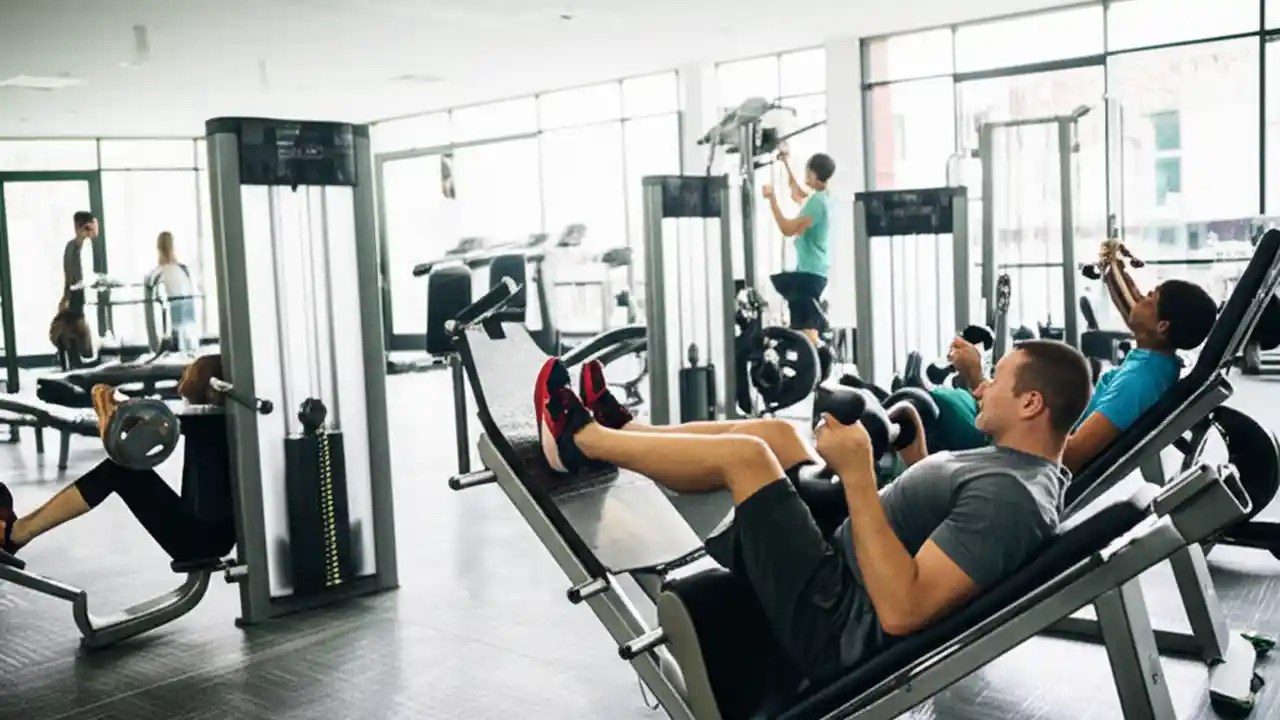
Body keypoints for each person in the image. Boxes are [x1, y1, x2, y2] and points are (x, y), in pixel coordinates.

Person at [537, 344, 1088, 681]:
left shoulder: (1012, 498)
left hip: (834, 621)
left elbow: (900, 609)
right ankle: (628, 433)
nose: (983, 385)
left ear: (1030, 405)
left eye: (998, 379)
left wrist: (858, 474)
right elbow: (939, 531)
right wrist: (915, 457)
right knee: (777, 433)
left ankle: (581, 441)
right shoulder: (1015, 468)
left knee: (747, 458)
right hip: (844, 566)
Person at [923, 266, 1218, 472]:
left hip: (1019, 458)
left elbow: (1071, 455)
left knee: (929, 405)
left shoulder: (1140, 381)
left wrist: (979, 379)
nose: (1138, 299)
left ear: (1162, 326)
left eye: (1148, 299)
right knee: (928, 404)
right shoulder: (1154, 363)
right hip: (1028, 436)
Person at [1, 355, 234, 563]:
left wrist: (116, 408)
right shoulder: (214, 421)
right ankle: (19, 532)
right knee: (122, 469)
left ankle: (19, 533)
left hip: (201, 541)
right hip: (204, 533)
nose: (181, 383)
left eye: (188, 375)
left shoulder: (209, 422)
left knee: (117, 471)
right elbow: (146, 433)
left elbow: (149, 429)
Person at [763, 150, 836, 347]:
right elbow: (797, 193)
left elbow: (787, 229)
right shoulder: (823, 197)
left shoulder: (817, 203)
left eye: (807, 171)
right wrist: (786, 163)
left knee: (804, 334)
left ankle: (817, 337)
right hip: (814, 272)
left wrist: (771, 199)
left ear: (812, 174)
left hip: (809, 275)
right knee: (799, 329)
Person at [54, 211, 99, 368]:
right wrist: (66, 296)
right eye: (91, 227)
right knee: (77, 333)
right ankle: (78, 363)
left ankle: (79, 361)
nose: (94, 231)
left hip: (80, 296)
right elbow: (70, 276)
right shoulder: (74, 247)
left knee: (79, 332)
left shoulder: (81, 247)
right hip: (77, 296)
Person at [147, 231, 199, 354]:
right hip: (189, 333)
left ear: (158, 248)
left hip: (171, 335)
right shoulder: (184, 270)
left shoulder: (158, 274)